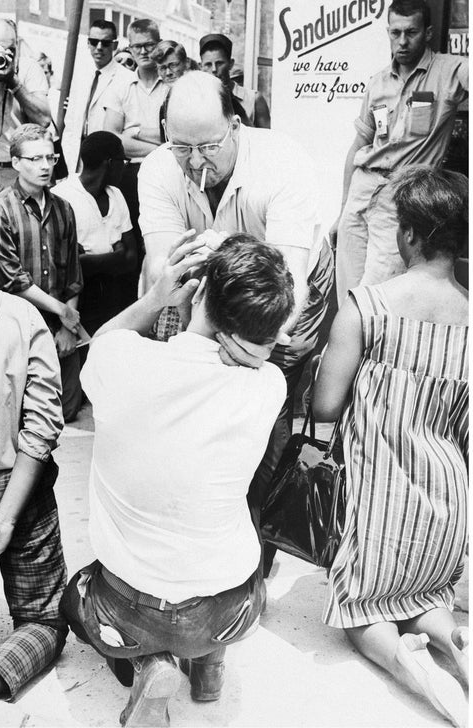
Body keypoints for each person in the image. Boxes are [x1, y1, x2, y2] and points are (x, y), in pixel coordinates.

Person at [62, 234, 295, 727]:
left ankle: (150, 665)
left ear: (199, 289)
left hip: (127, 611)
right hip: (227, 612)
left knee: (75, 598)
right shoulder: (268, 386)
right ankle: (208, 667)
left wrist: (154, 298)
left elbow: (101, 341)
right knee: (223, 558)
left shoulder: (122, 361)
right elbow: (250, 356)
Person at [138, 71, 334, 573]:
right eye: (182, 148)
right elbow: (163, 270)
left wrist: (256, 349)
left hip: (285, 284)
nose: (195, 162)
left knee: (269, 399)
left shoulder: (282, 161)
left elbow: (289, 280)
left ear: (235, 124)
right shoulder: (158, 169)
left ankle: (255, 552)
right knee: (198, 396)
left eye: (209, 147)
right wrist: (195, 336)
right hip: (209, 283)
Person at [312, 165, 469, 727]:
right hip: (447, 508)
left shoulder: (367, 306)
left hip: (379, 500)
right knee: (426, 599)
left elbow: (325, 406)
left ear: (408, 234)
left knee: (362, 610)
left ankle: (411, 666)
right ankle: (458, 644)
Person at [332, 0, 468, 303]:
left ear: (428, 33)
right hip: (361, 190)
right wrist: (341, 211)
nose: (402, 41)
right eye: (396, 33)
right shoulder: (378, 82)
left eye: (411, 32)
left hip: (400, 196)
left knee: (377, 295)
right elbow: (359, 145)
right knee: (348, 293)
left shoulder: (448, 71)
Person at [0, 283, 68, 704]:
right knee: (45, 621)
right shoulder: (20, 314)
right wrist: (7, 516)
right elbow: (42, 427)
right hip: (14, 483)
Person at [0, 123, 84, 422]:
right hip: (13, 327)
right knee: (16, 413)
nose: (45, 166)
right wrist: (64, 312)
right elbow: (11, 279)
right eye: (35, 158)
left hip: (57, 325)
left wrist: (68, 327)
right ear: (16, 162)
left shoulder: (64, 209)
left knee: (66, 410)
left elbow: (73, 274)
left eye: (50, 158)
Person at [100, 18, 164, 302]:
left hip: (166, 174)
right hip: (130, 177)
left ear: (158, 44)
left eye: (149, 45)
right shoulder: (121, 86)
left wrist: (134, 133)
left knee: (159, 243)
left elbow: (175, 137)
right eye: (137, 46)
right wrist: (159, 146)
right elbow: (112, 139)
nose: (143, 51)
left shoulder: (171, 84)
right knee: (131, 246)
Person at [52, 131, 136, 332]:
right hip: (77, 300)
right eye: (122, 162)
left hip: (114, 295)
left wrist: (89, 261)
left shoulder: (116, 195)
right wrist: (116, 255)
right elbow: (63, 267)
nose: (124, 168)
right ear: (110, 163)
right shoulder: (62, 197)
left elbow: (132, 259)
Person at [0, 17, 51, 200]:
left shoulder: (29, 68)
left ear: (17, 46)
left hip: (21, 169)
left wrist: (13, 81)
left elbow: (44, 119)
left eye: (10, 50)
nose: (3, 57)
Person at [60, 18, 136, 172]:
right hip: (74, 158)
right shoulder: (80, 75)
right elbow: (70, 123)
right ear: (88, 43)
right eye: (94, 42)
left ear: (114, 45)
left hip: (105, 161)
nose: (99, 47)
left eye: (105, 43)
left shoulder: (127, 79)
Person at [199, 33, 271, 129]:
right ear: (201, 67)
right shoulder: (197, 100)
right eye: (208, 64)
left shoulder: (254, 99)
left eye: (219, 63)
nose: (214, 69)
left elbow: (266, 137)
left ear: (230, 64)